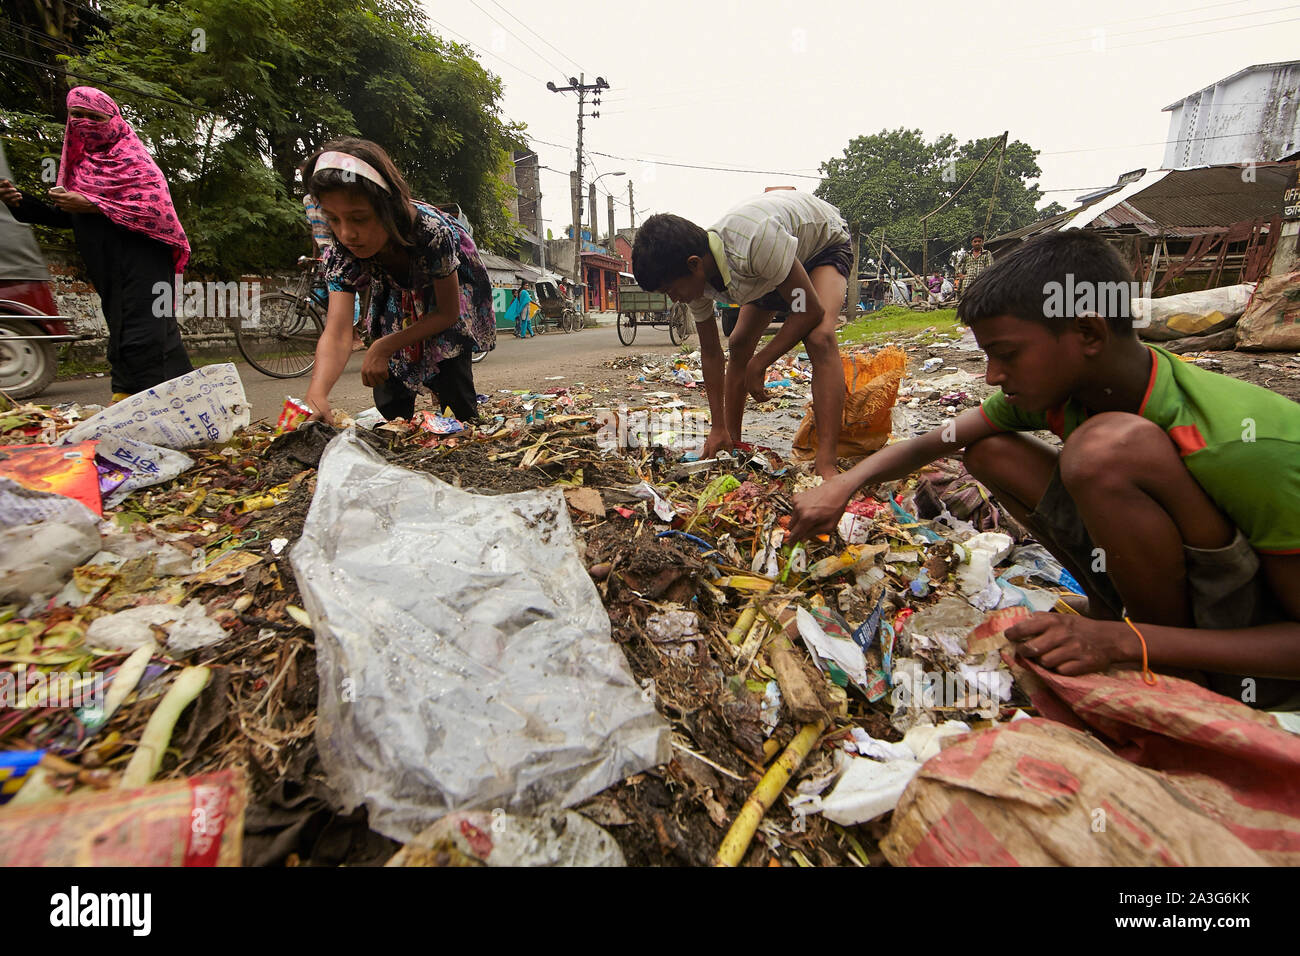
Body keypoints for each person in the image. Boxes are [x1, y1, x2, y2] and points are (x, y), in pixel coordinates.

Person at [789, 230, 1300, 707]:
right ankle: (1117, 617)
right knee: (992, 451)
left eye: (1006, 354)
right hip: (1174, 612)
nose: (993, 375)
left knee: (1102, 452)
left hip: (1249, 655)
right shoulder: (1070, 388)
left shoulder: (1246, 441)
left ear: (1088, 331)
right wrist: (843, 485)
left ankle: (1162, 660)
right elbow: (932, 442)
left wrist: (1127, 643)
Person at [632, 191, 852, 480]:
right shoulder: (697, 281)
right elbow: (712, 353)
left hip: (821, 248)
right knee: (738, 344)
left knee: (819, 337)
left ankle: (826, 462)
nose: (674, 299)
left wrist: (759, 363)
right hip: (772, 271)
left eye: (670, 290)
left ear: (694, 264)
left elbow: (807, 311)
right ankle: (729, 442)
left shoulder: (755, 241)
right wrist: (716, 426)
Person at [0, 86, 192, 400]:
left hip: (146, 263)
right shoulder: (78, 168)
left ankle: (145, 406)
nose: (85, 122)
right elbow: (66, 216)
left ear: (113, 120)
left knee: (142, 338)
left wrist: (94, 205)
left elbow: (155, 212)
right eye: (77, 115)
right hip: (108, 270)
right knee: (136, 338)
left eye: (95, 117)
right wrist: (20, 202)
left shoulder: (135, 162)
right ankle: (176, 402)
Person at [300, 138, 495, 425]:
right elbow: (338, 329)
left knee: (456, 396)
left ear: (389, 208)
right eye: (334, 219)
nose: (347, 233)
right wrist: (317, 395)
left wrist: (383, 346)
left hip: (443, 293)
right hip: (394, 291)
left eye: (359, 218)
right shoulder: (341, 252)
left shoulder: (432, 233)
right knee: (391, 401)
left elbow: (447, 312)